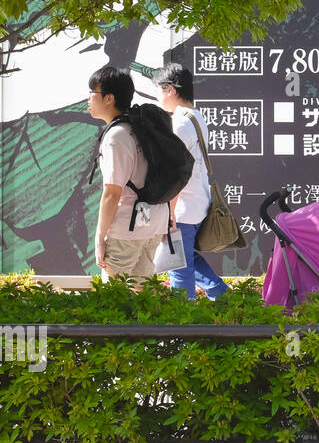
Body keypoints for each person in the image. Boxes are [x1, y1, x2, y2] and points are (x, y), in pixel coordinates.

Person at [155, 63, 229, 300]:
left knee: (179, 267)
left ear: (170, 91)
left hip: (183, 209)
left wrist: (170, 212)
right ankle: (221, 296)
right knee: (187, 258)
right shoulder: (195, 117)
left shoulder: (180, 123)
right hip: (197, 203)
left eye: (159, 90)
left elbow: (176, 172)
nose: (158, 97)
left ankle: (183, 323)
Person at [86, 66, 168, 278]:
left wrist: (100, 238)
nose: (88, 98)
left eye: (92, 92)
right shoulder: (141, 128)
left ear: (109, 98)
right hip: (153, 223)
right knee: (142, 296)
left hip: (126, 228)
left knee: (113, 300)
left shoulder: (117, 136)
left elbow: (112, 193)